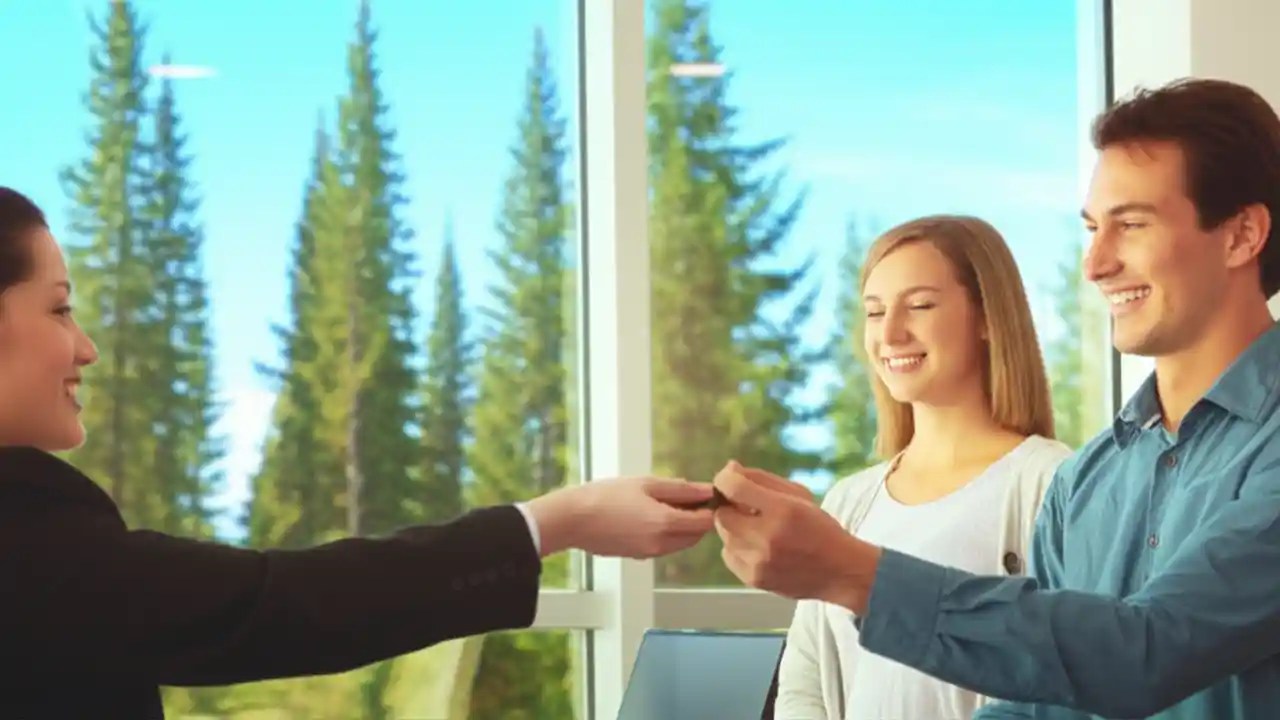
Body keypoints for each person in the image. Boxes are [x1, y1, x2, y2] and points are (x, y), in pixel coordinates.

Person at [0, 186, 717, 718]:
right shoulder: (28, 529)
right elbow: (278, 605)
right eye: (59, 308)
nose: (86, 348)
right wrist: (561, 520)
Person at [714, 76, 1280, 720]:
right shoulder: (1089, 480)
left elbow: (1148, 652)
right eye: (1093, 228)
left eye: (1131, 225)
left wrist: (854, 573)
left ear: (1241, 235)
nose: (1095, 264)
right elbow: (1038, 705)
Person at [773, 215, 1072, 719]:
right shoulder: (848, 501)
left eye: (919, 306)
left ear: (987, 318)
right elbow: (803, 686)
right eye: (874, 312)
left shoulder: (1050, 483)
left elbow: (1071, 673)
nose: (890, 333)